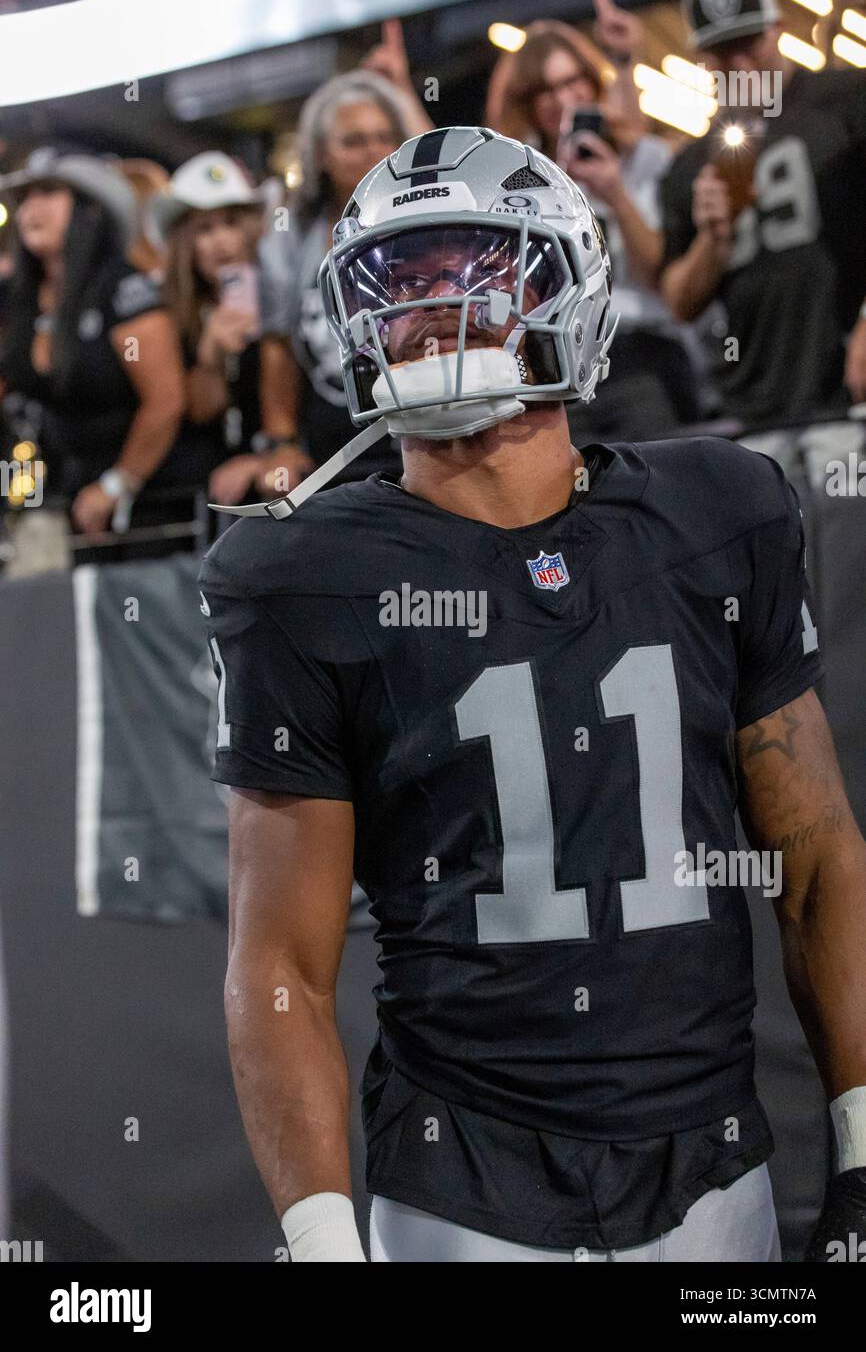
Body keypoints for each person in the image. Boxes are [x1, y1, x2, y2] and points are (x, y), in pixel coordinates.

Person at [199, 127, 866, 1263]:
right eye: (395, 281)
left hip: (709, 1161)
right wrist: (320, 1244)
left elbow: (812, 863)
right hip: (466, 1184)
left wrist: (859, 1149)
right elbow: (281, 969)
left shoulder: (718, 511)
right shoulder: (299, 575)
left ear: (567, 282)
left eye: (469, 266)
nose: (430, 307)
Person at [660, 0, 866, 432]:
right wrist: (712, 242)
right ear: (702, 60)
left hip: (849, 388)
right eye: (722, 54)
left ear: (779, 30)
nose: (742, 67)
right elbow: (679, 302)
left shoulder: (846, 100)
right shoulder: (692, 163)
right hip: (754, 408)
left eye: (749, 44)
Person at [487, 0, 702, 439]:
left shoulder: (644, 158)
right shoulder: (519, 186)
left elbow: (661, 277)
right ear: (527, 104)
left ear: (590, 82)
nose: (563, 99)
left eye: (571, 82)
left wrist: (615, 195)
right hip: (557, 364)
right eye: (545, 91)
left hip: (641, 350)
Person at [249, 71, 425, 506]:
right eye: (354, 140)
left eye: (385, 137)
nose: (372, 152)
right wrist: (279, 442)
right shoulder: (290, 235)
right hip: (334, 442)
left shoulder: (430, 220)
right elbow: (278, 344)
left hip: (426, 427)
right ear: (320, 155)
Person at [0, 148, 184, 561]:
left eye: (49, 192)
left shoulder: (121, 286)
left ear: (91, 210)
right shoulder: (19, 298)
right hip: (56, 498)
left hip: (143, 506)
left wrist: (118, 484)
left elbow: (166, 401)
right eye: (26, 196)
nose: (31, 207)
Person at [148, 151, 282, 516]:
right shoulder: (176, 317)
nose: (221, 240)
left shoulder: (284, 297)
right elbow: (199, 412)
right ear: (184, 246)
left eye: (230, 223)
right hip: (217, 488)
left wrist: (266, 458)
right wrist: (210, 358)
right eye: (205, 230)